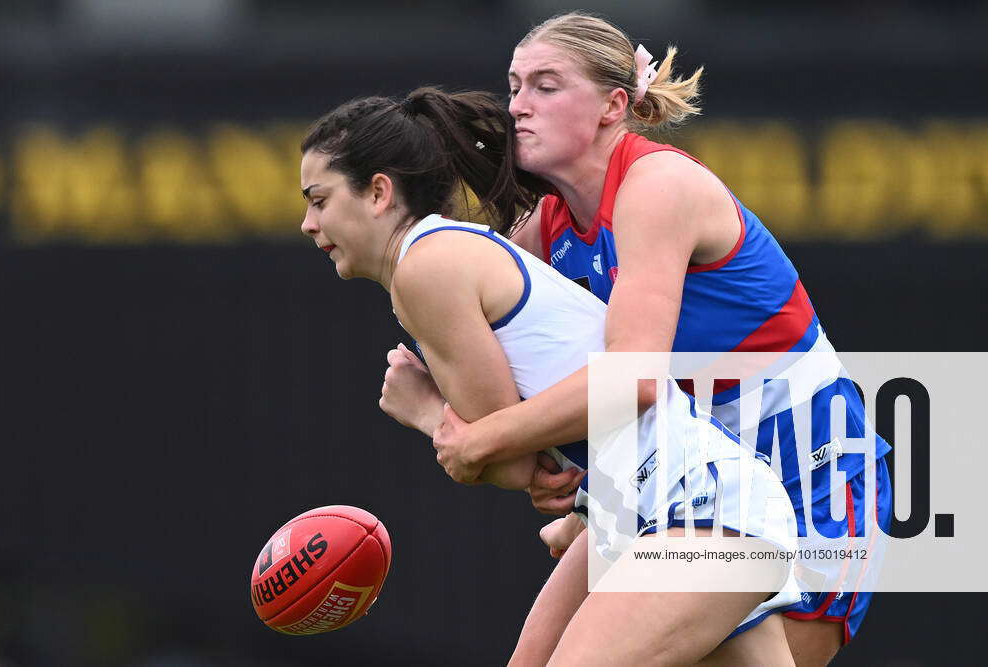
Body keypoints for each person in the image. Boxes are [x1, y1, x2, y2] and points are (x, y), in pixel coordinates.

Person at [380, 12, 892, 667]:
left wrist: (478, 435)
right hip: (686, 480)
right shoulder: (546, 228)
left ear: (613, 104)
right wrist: (456, 421)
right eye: (514, 87)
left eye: (545, 86)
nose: (518, 108)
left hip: (806, 471)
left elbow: (635, 379)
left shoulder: (657, 187)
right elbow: (514, 435)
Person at [301, 86, 800, 665]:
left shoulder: (424, 270)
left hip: (698, 509)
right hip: (653, 511)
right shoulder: (444, 256)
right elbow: (523, 454)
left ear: (379, 192)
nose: (309, 223)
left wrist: (425, 411)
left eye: (319, 199)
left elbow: (510, 461)